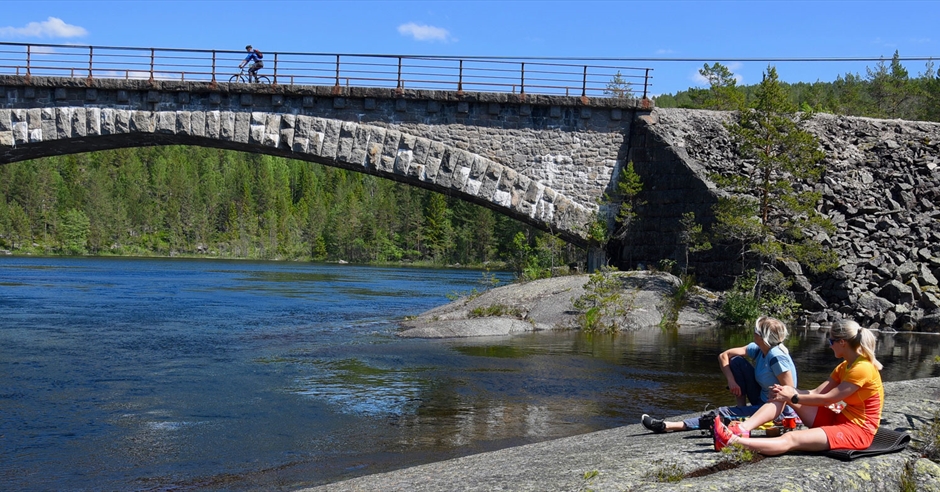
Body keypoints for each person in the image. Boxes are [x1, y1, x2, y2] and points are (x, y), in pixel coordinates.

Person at [713, 319, 884, 456]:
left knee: (791, 438)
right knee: (783, 393)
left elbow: (829, 399)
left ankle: (732, 442)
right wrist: (787, 393)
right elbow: (817, 392)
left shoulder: (862, 368)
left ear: (843, 342)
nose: (830, 345)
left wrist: (793, 397)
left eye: (832, 341)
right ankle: (743, 429)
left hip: (858, 432)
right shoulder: (844, 366)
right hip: (839, 420)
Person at [641, 316, 797, 434]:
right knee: (736, 361)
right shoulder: (758, 349)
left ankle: (667, 426)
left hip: (775, 408)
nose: (753, 333)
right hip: (761, 398)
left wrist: (778, 416)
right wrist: (731, 381)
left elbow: (790, 390)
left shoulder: (776, 356)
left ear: (762, 337)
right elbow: (724, 356)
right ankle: (741, 409)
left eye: (755, 331)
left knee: (722, 413)